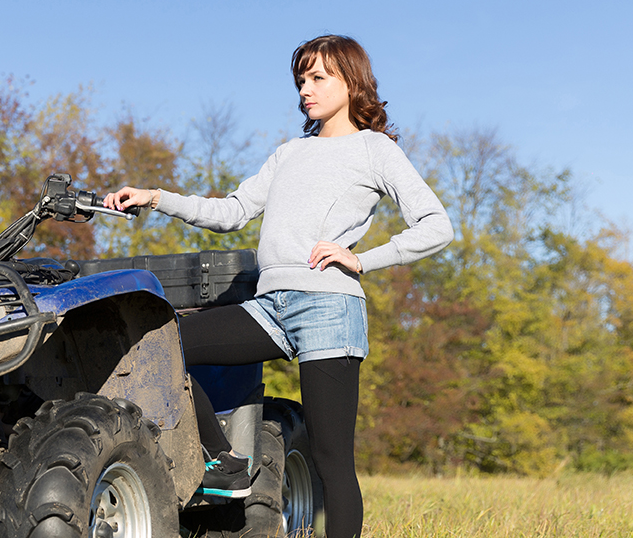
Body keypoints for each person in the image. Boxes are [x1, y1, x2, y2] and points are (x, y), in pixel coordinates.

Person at [103, 34, 453, 538]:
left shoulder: (375, 151)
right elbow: (231, 212)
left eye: (318, 78)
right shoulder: (289, 153)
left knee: (332, 459)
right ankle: (223, 462)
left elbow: (436, 225)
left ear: (351, 81)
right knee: (165, 344)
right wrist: (156, 196)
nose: (305, 90)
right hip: (269, 306)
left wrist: (362, 259)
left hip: (329, 307)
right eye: (301, 80)